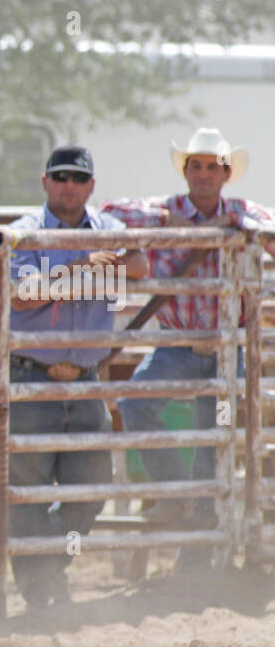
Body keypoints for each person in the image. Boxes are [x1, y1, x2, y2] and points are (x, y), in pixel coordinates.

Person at [101, 128, 275, 565]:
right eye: (195, 166)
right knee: (138, 403)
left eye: (210, 166)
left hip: (222, 351)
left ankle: (193, 563)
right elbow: (109, 211)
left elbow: (268, 226)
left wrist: (244, 228)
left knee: (214, 438)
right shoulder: (166, 209)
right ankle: (176, 494)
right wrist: (167, 223)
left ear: (225, 173)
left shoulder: (239, 211)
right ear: (186, 171)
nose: (202, 174)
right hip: (177, 346)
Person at [8, 144, 148, 609]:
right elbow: (20, 296)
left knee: (92, 486)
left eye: (77, 178)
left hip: (85, 378)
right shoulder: (23, 232)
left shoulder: (109, 229)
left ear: (90, 186)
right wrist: (85, 269)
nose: (69, 185)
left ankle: (46, 568)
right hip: (31, 376)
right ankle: (40, 590)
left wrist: (63, 278)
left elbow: (139, 264)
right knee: (24, 489)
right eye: (61, 176)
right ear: (45, 182)